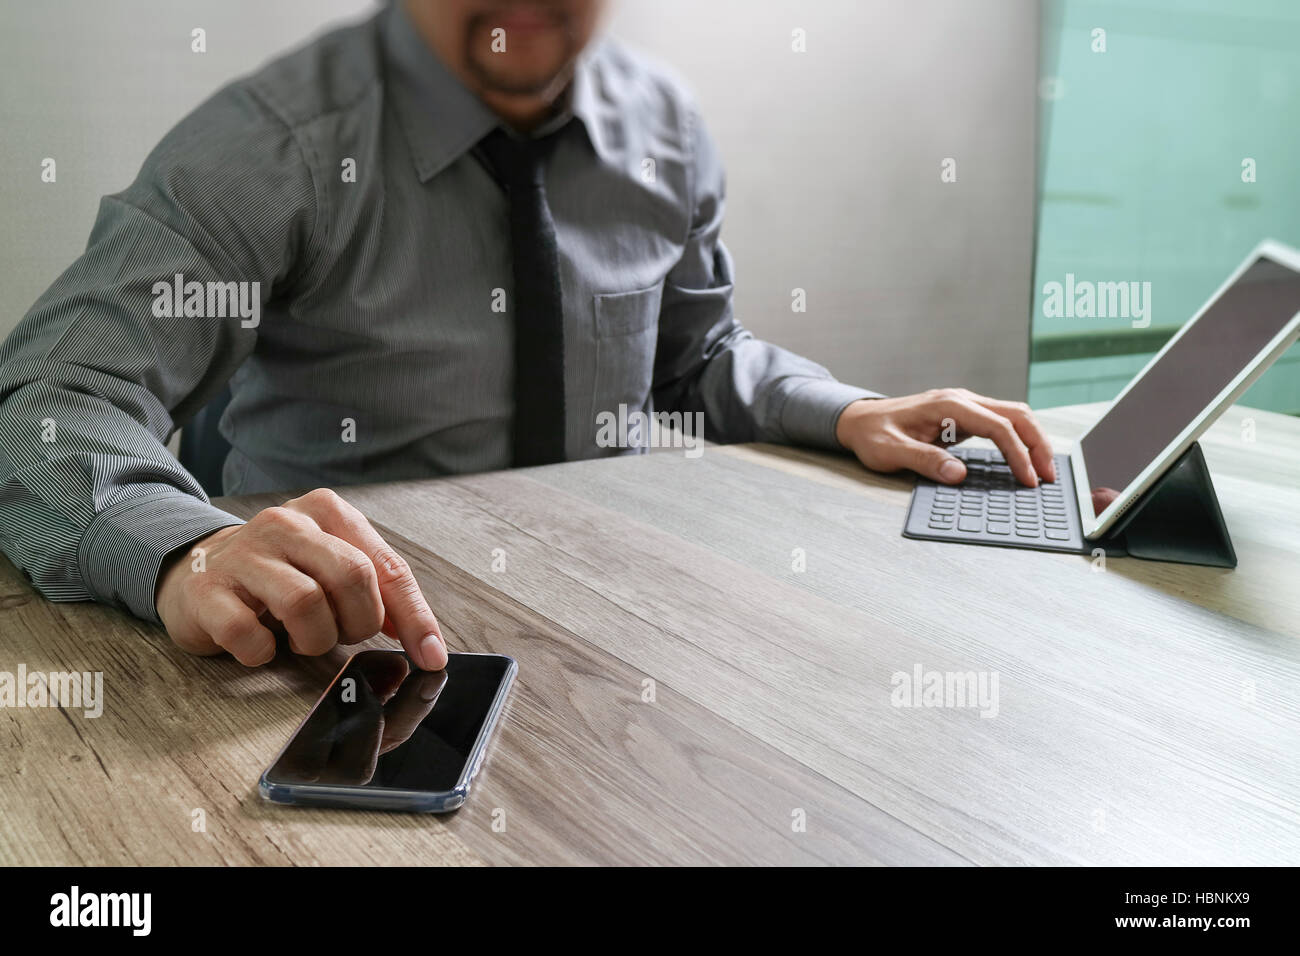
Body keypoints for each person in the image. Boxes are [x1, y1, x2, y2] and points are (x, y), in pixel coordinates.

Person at [0, 0, 1055, 672]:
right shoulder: (278, 141)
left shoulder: (666, 131)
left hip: (624, 626)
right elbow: (48, 402)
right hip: (354, 652)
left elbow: (693, 358)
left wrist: (848, 408)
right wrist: (190, 546)